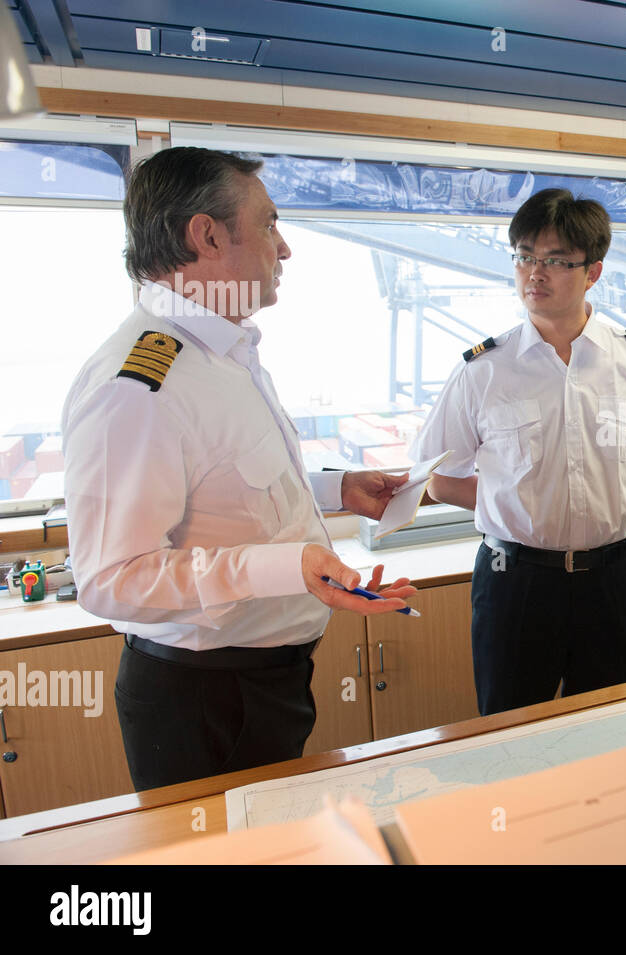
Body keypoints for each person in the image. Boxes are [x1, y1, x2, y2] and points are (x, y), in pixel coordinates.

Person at [62, 147, 416, 792]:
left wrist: (338, 490)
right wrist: (288, 566)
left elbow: (224, 489)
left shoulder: (222, 353)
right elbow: (110, 579)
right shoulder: (141, 382)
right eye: (271, 224)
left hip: (263, 683)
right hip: (203, 699)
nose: (285, 249)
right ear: (207, 234)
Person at [409, 188, 626, 715]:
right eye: (525, 256)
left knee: (604, 726)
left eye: (556, 260)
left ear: (593, 272)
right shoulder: (482, 369)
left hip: (612, 578)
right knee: (509, 728)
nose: (535, 273)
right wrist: (519, 506)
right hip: (516, 581)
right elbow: (440, 481)